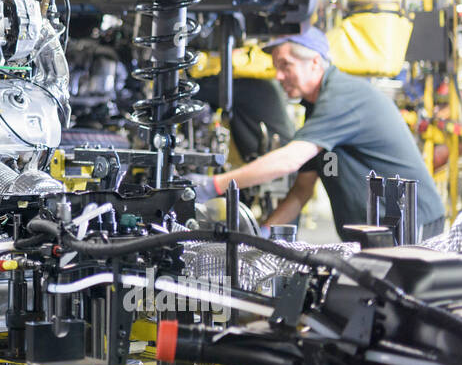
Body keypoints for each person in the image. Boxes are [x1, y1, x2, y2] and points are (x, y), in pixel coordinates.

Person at [188, 27, 446, 242]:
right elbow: (302, 190)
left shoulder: (343, 96)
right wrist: (265, 231)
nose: (278, 75)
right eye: (276, 67)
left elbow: (290, 160)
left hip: (409, 225)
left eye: (285, 65)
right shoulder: (317, 110)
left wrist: (214, 186)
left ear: (314, 63)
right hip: (379, 231)